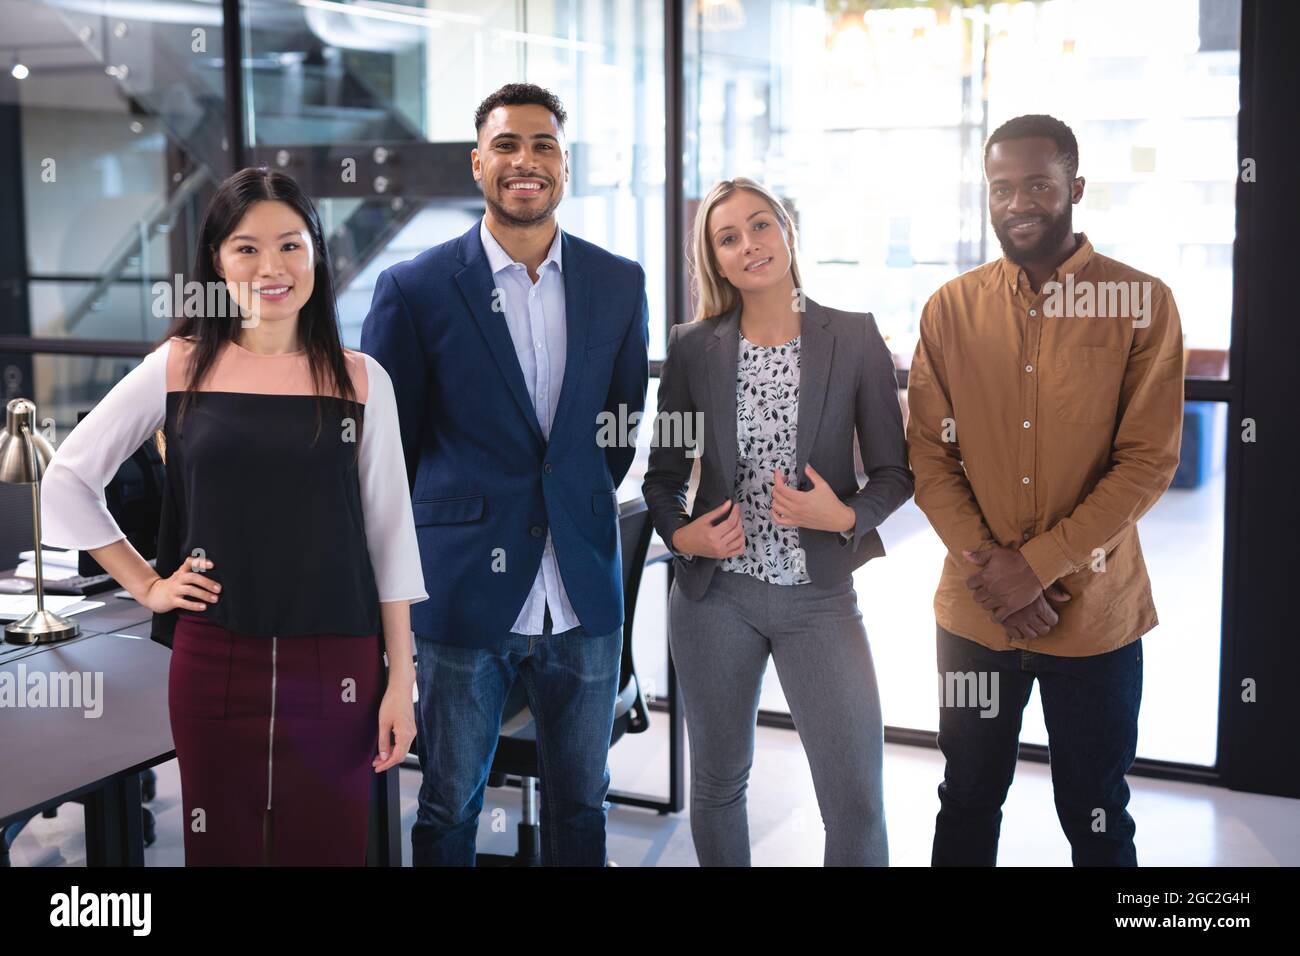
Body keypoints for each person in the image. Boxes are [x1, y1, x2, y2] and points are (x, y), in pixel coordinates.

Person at [39, 168, 426, 865]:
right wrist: (148, 586)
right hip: (214, 657)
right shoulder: (178, 366)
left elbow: (390, 533)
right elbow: (67, 479)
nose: (271, 267)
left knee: (328, 851)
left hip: (336, 660)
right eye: (246, 248)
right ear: (216, 260)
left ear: (316, 256)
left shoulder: (363, 379)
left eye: (290, 245)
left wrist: (403, 677)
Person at [361, 82, 649, 867]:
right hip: (462, 592)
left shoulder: (618, 282)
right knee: (451, 804)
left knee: (583, 802)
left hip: (583, 588)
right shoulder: (414, 289)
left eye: (544, 145)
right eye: (509, 145)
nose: (527, 160)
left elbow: (615, 429)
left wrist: (571, 497)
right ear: (479, 161)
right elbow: (390, 448)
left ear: (565, 163)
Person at [907, 114, 1185, 866]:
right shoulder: (949, 309)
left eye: (1038, 184)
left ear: (1076, 189)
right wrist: (997, 570)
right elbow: (930, 458)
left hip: (1096, 620)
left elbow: (1146, 461)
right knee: (965, 794)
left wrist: (1036, 566)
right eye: (1002, 186)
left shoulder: (1141, 303)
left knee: (1096, 810)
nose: (1018, 202)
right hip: (974, 621)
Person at [642, 177, 913, 866]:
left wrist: (844, 513)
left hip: (819, 599)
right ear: (716, 259)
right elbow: (663, 477)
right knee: (718, 783)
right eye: (728, 237)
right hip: (713, 600)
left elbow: (896, 473)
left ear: (788, 230)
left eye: (761, 226)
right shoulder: (694, 347)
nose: (749, 245)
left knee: (855, 800)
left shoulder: (852, 337)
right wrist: (682, 535)